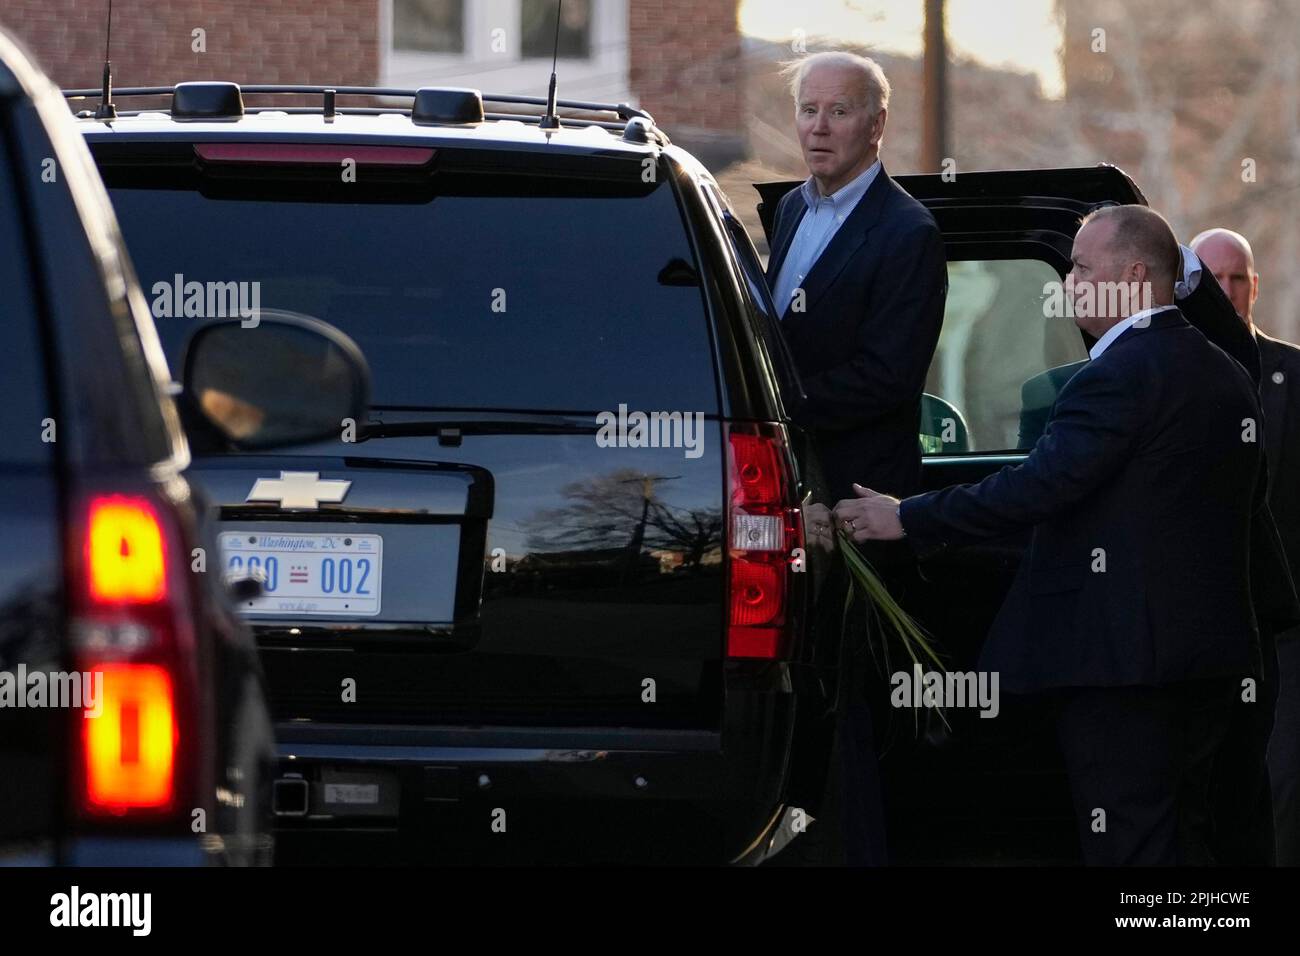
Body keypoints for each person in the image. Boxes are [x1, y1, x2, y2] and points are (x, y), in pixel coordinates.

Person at [834, 205, 1265, 865]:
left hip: (1123, 670)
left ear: (1135, 275)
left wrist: (907, 516)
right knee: (1189, 835)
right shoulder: (1223, 370)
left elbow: (1039, 486)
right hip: (1207, 663)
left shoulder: (1117, 375)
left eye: (1083, 268)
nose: (1068, 285)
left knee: (1131, 843)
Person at [766, 50, 946, 866]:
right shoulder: (790, 215)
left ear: (878, 125)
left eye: (838, 111)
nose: (817, 126)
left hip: (861, 507)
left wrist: (774, 408)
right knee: (797, 702)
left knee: (854, 713)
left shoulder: (908, 232)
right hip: (789, 502)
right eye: (808, 109)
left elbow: (888, 374)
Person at [1192, 227, 1300, 865]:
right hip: (1193, 632)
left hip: (1283, 631)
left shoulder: (1294, 375)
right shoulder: (1163, 374)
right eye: (1213, 279)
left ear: (1254, 288)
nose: (1227, 292)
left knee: (1281, 784)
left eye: (1238, 279)